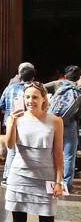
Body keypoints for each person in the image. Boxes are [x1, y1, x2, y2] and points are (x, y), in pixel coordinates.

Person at [3, 80, 64, 222]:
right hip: (19, 175)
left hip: (45, 177)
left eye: (35, 97)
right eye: (27, 97)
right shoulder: (17, 119)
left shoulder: (55, 121)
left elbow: (58, 153)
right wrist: (11, 122)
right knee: (18, 221)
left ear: (44, 99)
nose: (30, 100)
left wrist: (59, 181)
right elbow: (10, 145)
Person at [44, 65, 81, 194]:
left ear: (65, 76)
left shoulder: (58, 83)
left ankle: (51, 180)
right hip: (70, 125)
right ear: (78, 78)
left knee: (51, 152)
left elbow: (41, 87)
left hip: (54, 122)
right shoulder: (78, 89)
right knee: (69, 156)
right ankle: (66, 185)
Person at [0, 62, 36, 184]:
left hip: (10, 122)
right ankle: (24, 176)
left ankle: (7, 176)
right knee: (26, 150)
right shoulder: (32, 90)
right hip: (27, 124)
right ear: (33, 77)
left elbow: (0, 105)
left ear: (19, 76)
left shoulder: (9, 88)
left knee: (11, 151)